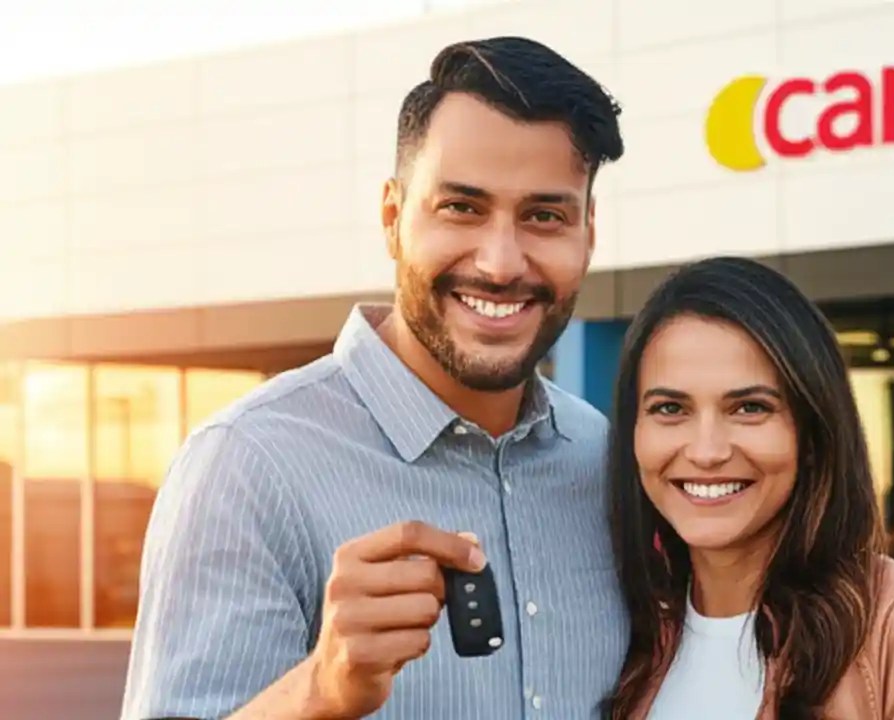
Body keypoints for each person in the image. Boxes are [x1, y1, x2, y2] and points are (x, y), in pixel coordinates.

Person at [120, 36, 625, 720]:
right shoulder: (246, 464)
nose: (502, 262)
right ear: (392, 219)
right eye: (462, 208)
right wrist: (319, 690)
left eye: (544, 215)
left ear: (588, 233)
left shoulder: (606, 462)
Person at [603, 257, 894, 719]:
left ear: (813, 434)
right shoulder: (625, 635)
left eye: (750, 408)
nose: (706, 451)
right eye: (670, 409)